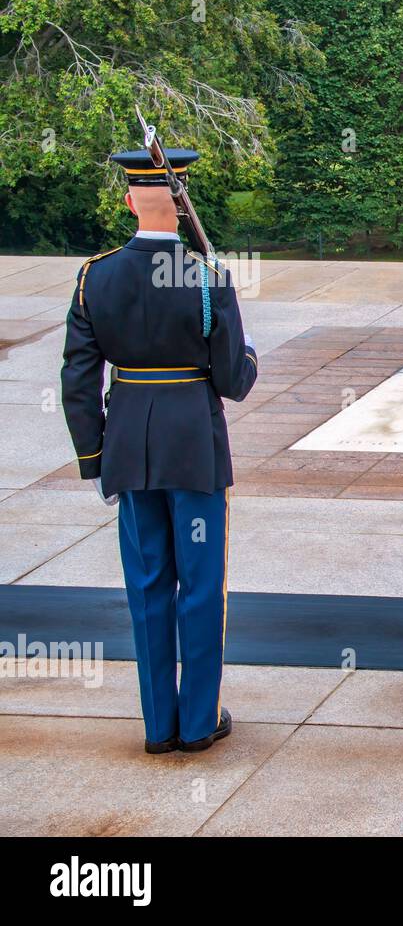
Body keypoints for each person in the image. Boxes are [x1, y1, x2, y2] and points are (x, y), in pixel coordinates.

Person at [61, 147, 258, 753]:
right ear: (182, 203)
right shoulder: (205, 275)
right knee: (199, 585)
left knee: (147, 585)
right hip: (193, 448)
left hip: (130, 449)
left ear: (129, 201)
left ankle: (158, 726)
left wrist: (95, 456)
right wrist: (246, 356)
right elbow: (233, 381)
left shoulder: (97, 275)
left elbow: (78, 377)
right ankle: (199, 722)